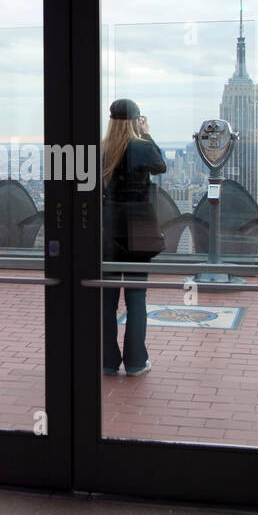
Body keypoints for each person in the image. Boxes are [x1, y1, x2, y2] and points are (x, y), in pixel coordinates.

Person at [101, 98, 166, 376]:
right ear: (136, 120)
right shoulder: (141, 146)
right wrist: (146, 132)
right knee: (137, 298)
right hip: (139, 230)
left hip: (109, 230)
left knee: (107, 299)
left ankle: (107, 360)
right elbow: (160, 165)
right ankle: (136, 361)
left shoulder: (102, 149)